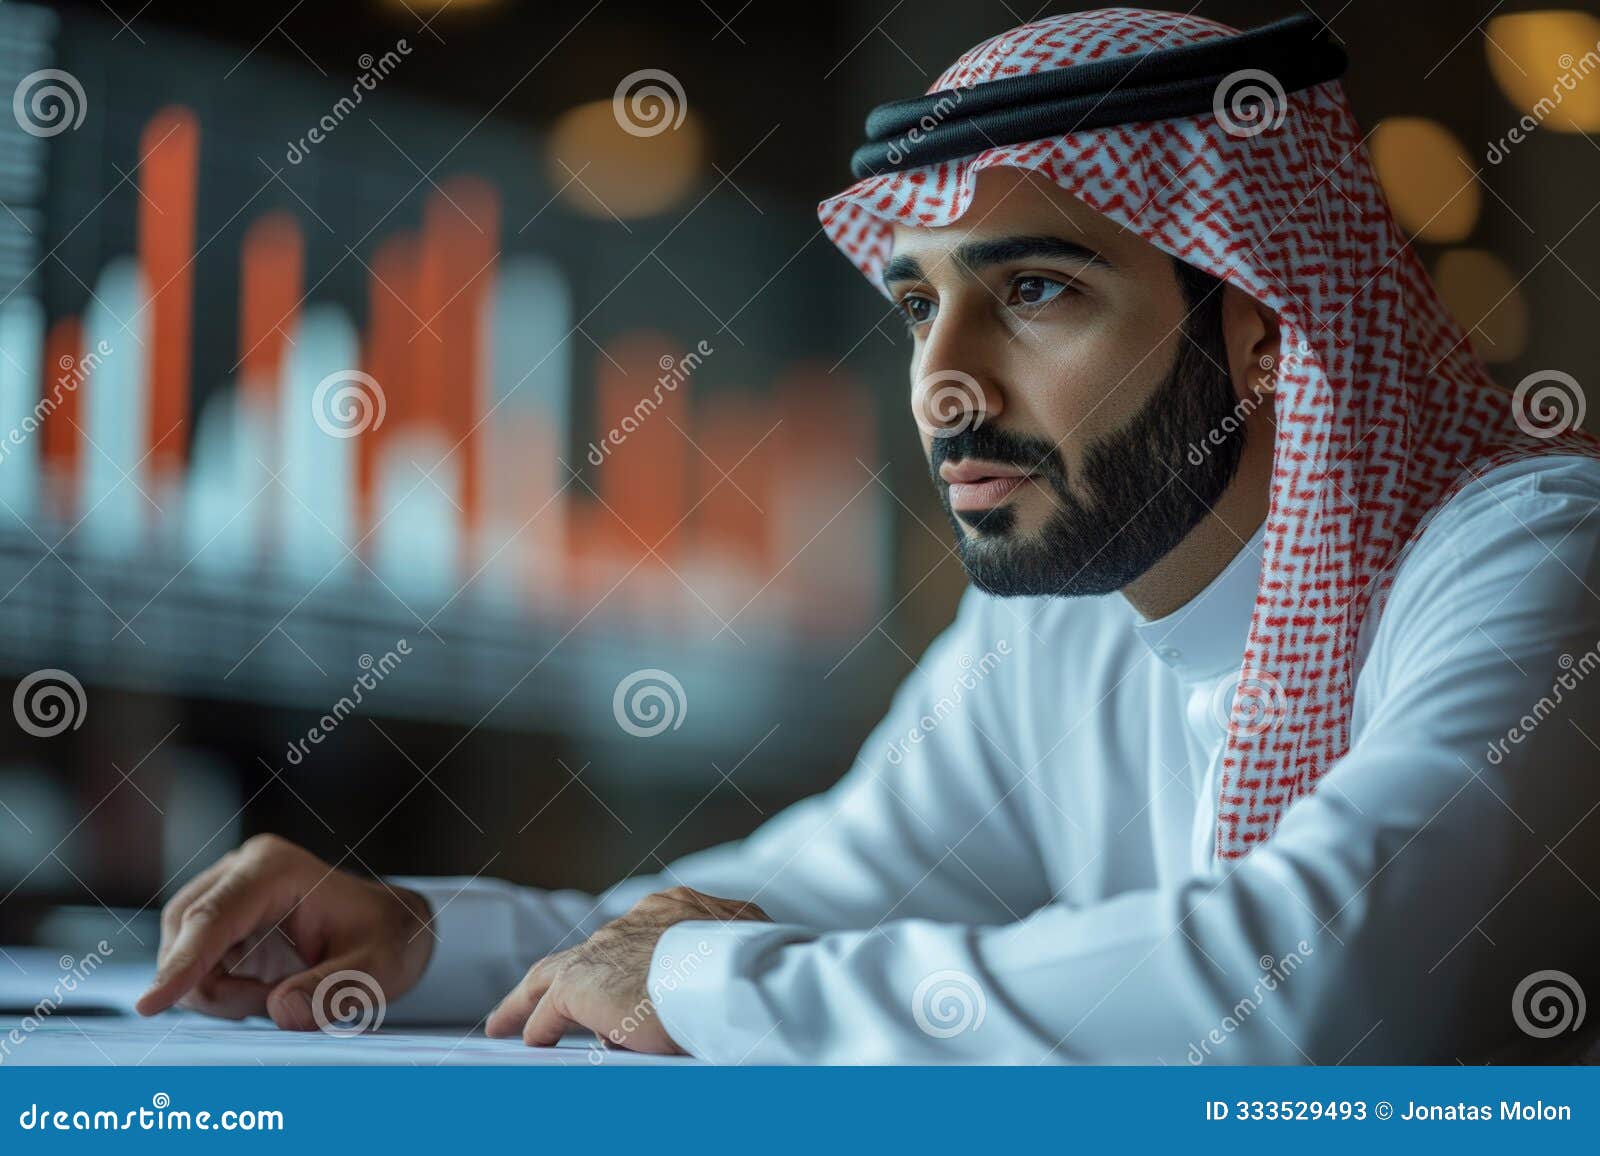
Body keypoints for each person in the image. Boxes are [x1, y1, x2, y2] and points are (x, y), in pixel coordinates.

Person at [136, 9, 1600, 1063]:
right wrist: (422, 940)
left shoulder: (1535, 561)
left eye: (1033, 291)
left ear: (1270, 325)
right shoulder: (1063, 613)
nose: (945, 381)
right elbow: (816, 891)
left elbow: (1311, 986)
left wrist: (711, 985)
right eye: (919, 306)